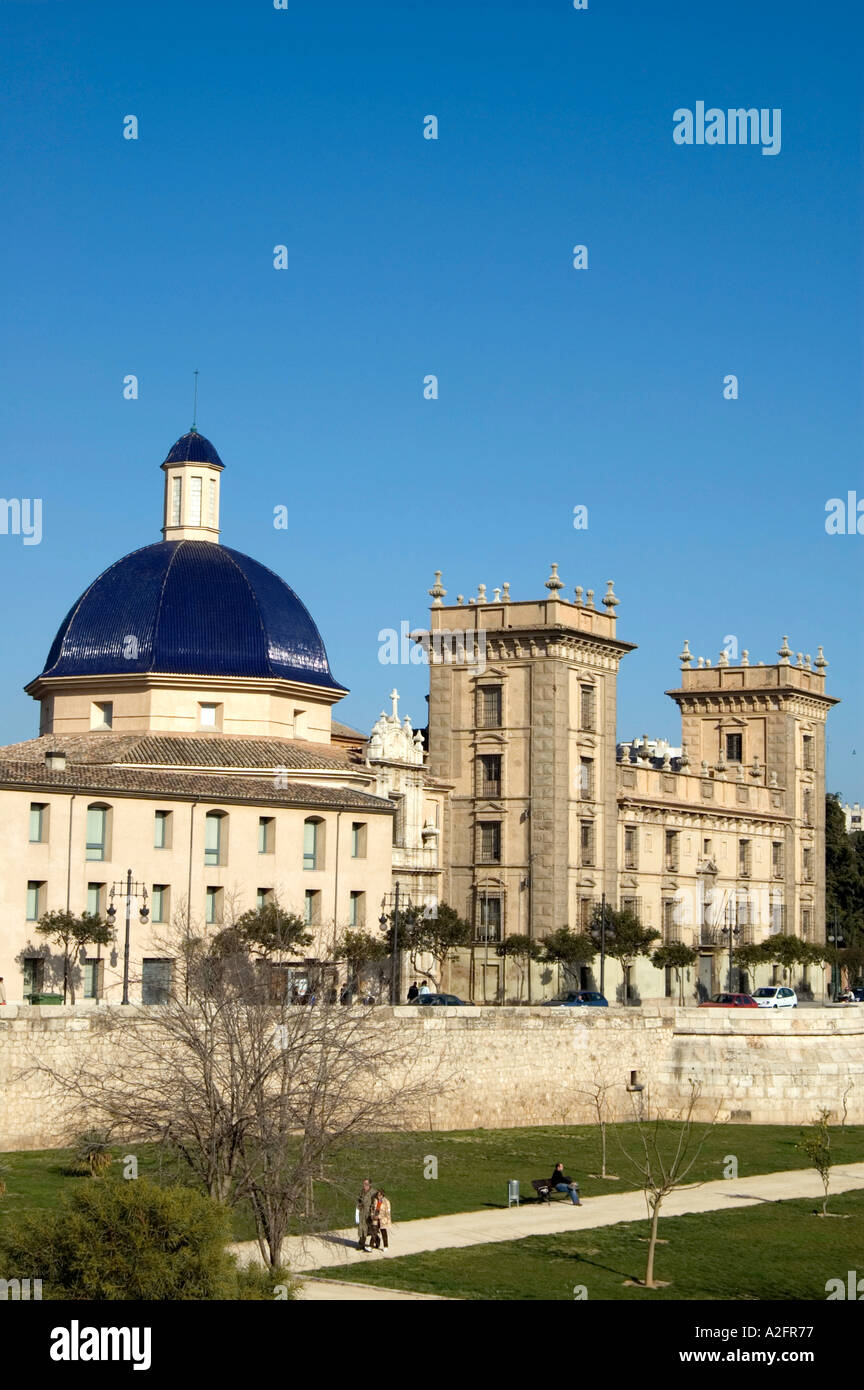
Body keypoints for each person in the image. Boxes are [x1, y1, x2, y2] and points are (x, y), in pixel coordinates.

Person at [356, 1178, 375, 1250]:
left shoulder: (373, 1192)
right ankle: (361, 1244)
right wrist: (358, 1209)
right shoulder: (361, 1192)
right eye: (363, 1184)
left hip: (369, 1213)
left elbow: (375, 1203)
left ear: (370, 1184)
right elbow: (359, 1201)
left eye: (366, 1184)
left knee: (369, 1229)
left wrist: (373, 1212)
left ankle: (376, 1240)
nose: (364, 1185)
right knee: (361, 1228)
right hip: (362, 1213)